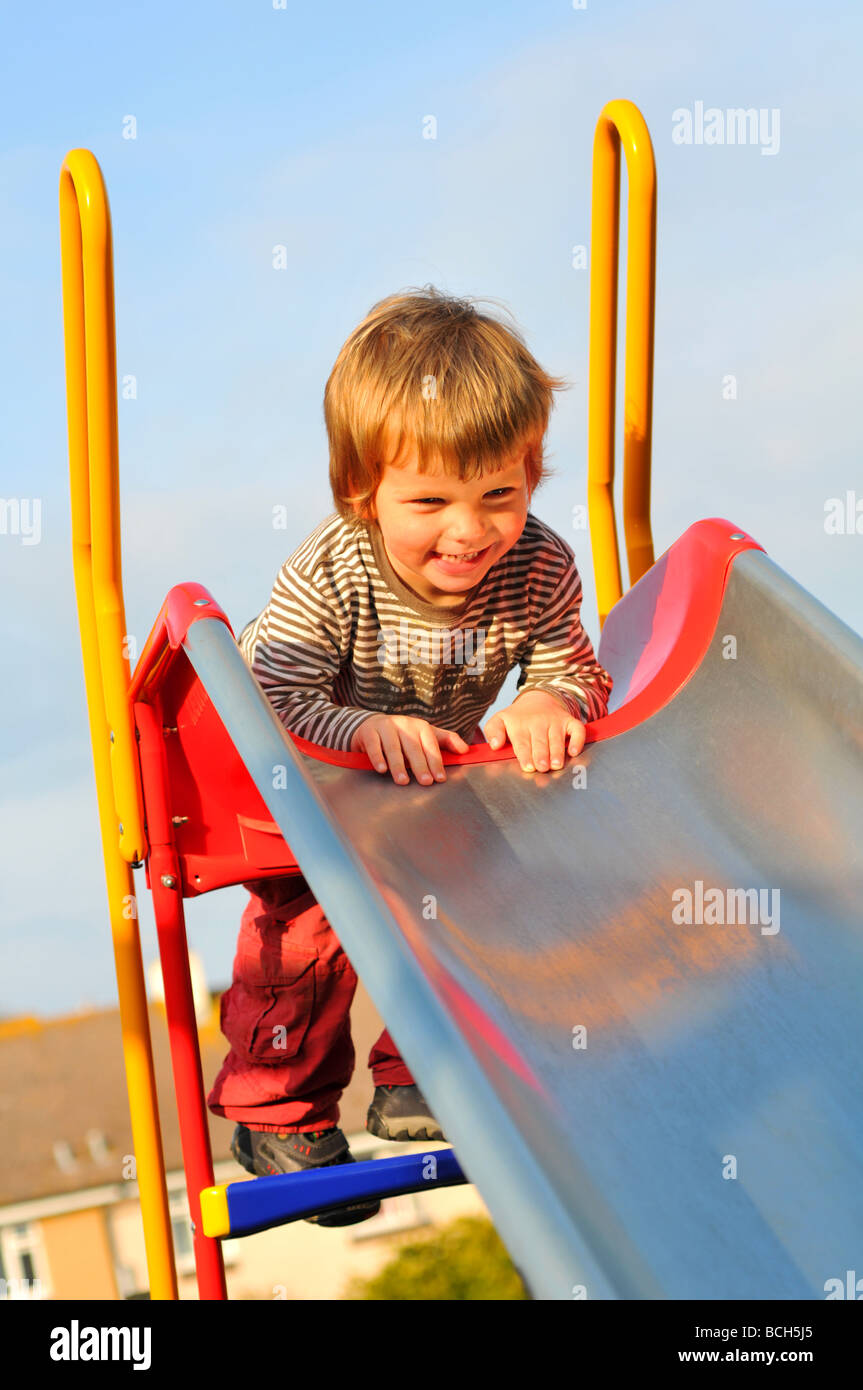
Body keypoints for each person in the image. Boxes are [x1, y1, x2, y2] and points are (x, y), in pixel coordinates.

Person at [207, 286, 613, 1225]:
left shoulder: (539, 564)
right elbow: (269, 694)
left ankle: (418, 1080)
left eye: (498, 495)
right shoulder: (334, 568)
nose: (468, 531)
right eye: (429, 501)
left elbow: (572, 665)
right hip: (307, 787)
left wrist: (549, 697)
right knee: (306, 939)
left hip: (433, 798)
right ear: (363, 491)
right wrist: (357, 730)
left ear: (530, 472)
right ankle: (276, 1112)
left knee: (488, 901)